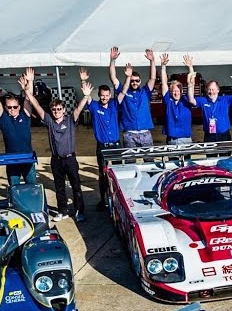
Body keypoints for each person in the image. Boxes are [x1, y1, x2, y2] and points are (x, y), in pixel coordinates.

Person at [21, 67, 90, 222]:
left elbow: (79, 108)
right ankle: (62, 211)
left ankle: (80, 211)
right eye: (54, 109)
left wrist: (85, 96)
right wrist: (29, 87)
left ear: (64, 110)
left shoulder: (70, 120)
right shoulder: (49, 121)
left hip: (70, 159)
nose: (57, 111)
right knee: (59, 188)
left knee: (76, 187)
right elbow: (37, 107)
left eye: (59, 109)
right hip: (56, 160)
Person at [0, 66, 37, 187]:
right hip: (11, 160)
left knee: (32, 188)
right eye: (9, 107)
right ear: (6, 108)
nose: (12, 109)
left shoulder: (25, 116)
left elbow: (28, 100)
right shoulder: (4, 119)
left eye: (14, 107)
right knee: (14, 189)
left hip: (27, 158)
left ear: (19, 107)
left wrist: (30, 82)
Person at [86, 60, 123, 210]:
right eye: (102, 95)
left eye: (107, 95)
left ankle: (120, 200)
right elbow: (87, 96)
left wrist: (113, 62)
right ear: (99, 95)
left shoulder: (114, 104)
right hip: (102, 146)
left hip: (115, 145)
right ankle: (104, 200)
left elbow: (123, 90)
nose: (105, 97)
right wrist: (83, 80)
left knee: (119, 173)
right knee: (102, 174)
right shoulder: (94, 106)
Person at [187, 57, 232, 142]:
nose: (211, 92)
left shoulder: (225, 99)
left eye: (213, 89)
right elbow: (191, 100)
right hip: (209, 136)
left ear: (218, 90)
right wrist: (190, 83)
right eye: (209, 89)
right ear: (206, 91)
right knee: (211, 155)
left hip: (224, 135)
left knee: (225, 155)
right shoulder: (203, 101)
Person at [110, 47, 158, 147]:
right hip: (129, 134)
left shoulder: (145, 91)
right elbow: (113, 78)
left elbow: (152, 78)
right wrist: (112, 60)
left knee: (149, 161)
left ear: (140, 81)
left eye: (137, 80)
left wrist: (152, 61)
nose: (134, 83)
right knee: (129, 161)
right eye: (132, 81)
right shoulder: (123, 92)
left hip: (145, 133)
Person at [159, 53, 193, 144]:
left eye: (178, 91)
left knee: (187, 159)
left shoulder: (187, 100)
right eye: (174, 91)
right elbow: (164, 84)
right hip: (171, 140)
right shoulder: (168, 101)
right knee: (172, 159)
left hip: (186, 140)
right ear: (170, 92)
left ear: (182, 92)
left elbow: (191, 83)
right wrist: (163, 66)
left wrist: (190, 67)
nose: (176, 93)